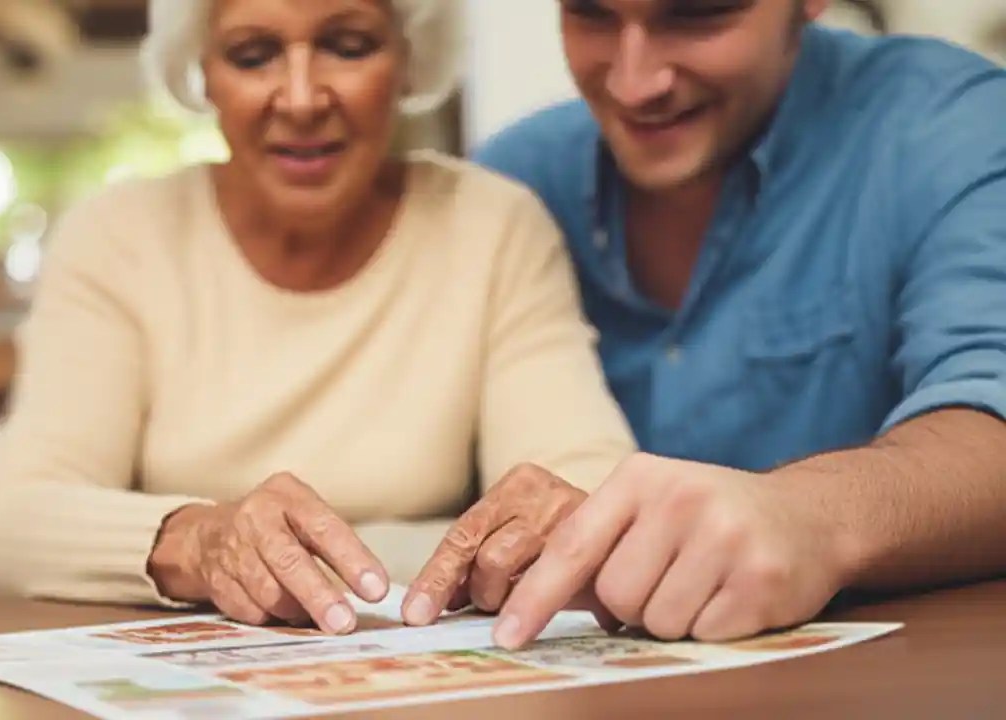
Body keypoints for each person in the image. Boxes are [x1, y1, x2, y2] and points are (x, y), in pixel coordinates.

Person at [0, 0, 636, 637]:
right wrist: (201, 541)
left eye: (349, 46)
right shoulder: (119, 236)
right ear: (204, 73)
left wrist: (317, 562)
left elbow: (584, 501)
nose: (304, 99)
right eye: (253, 56)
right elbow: (8, 523)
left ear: (408, 59)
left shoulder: (492, 225)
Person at [399, 0, 1006, 646]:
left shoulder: (954, 127)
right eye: (591, 15)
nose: (635, 82)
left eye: (696, 15)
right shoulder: (517, 184)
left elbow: (990, 411)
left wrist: (810, 515)